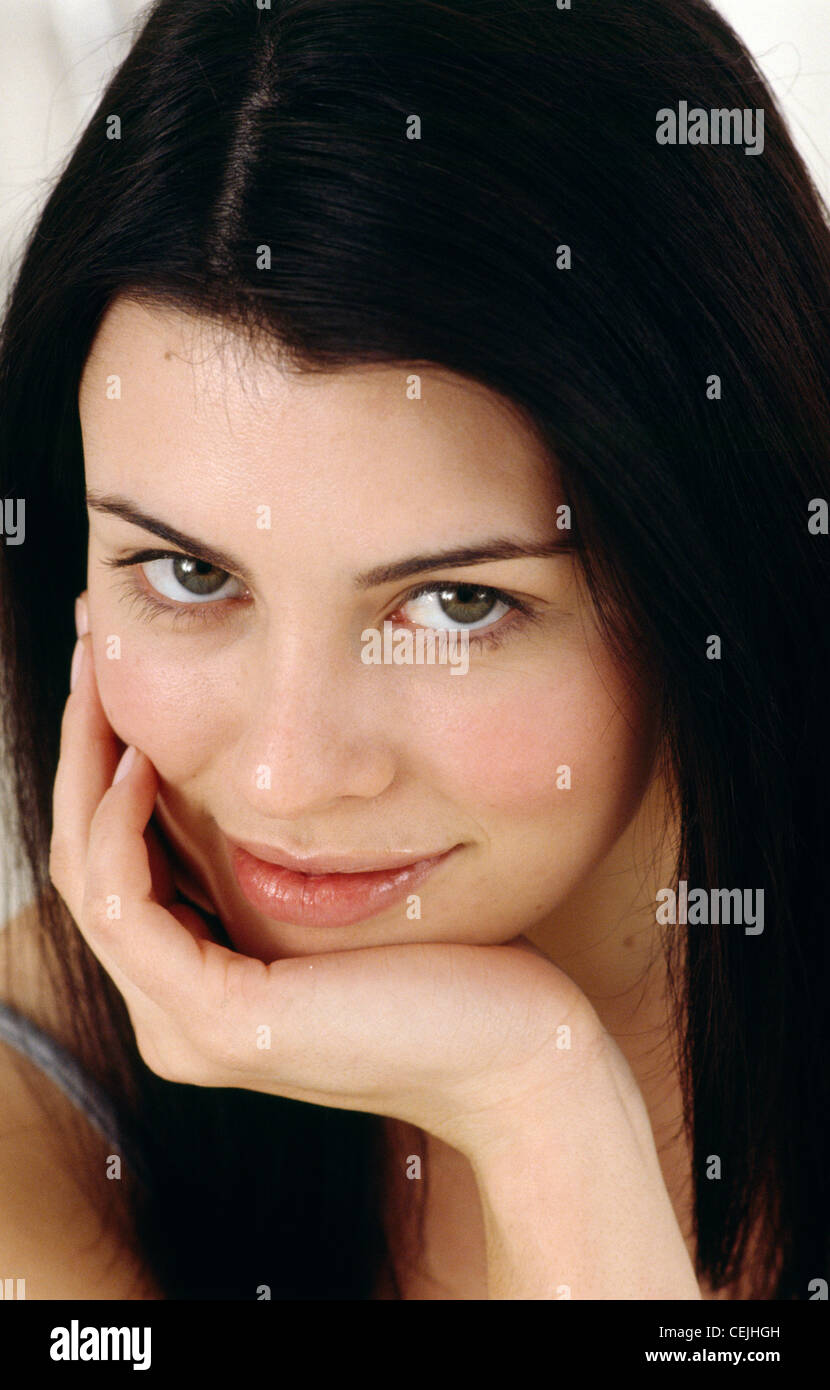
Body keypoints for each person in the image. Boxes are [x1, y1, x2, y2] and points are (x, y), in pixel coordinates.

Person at [0, 0, 828, 1301]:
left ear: (706, 576)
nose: (285, 777)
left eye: (451, 605)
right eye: (190, 573)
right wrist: (531, 1087)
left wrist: (530, 1099)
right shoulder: (32, 1128)